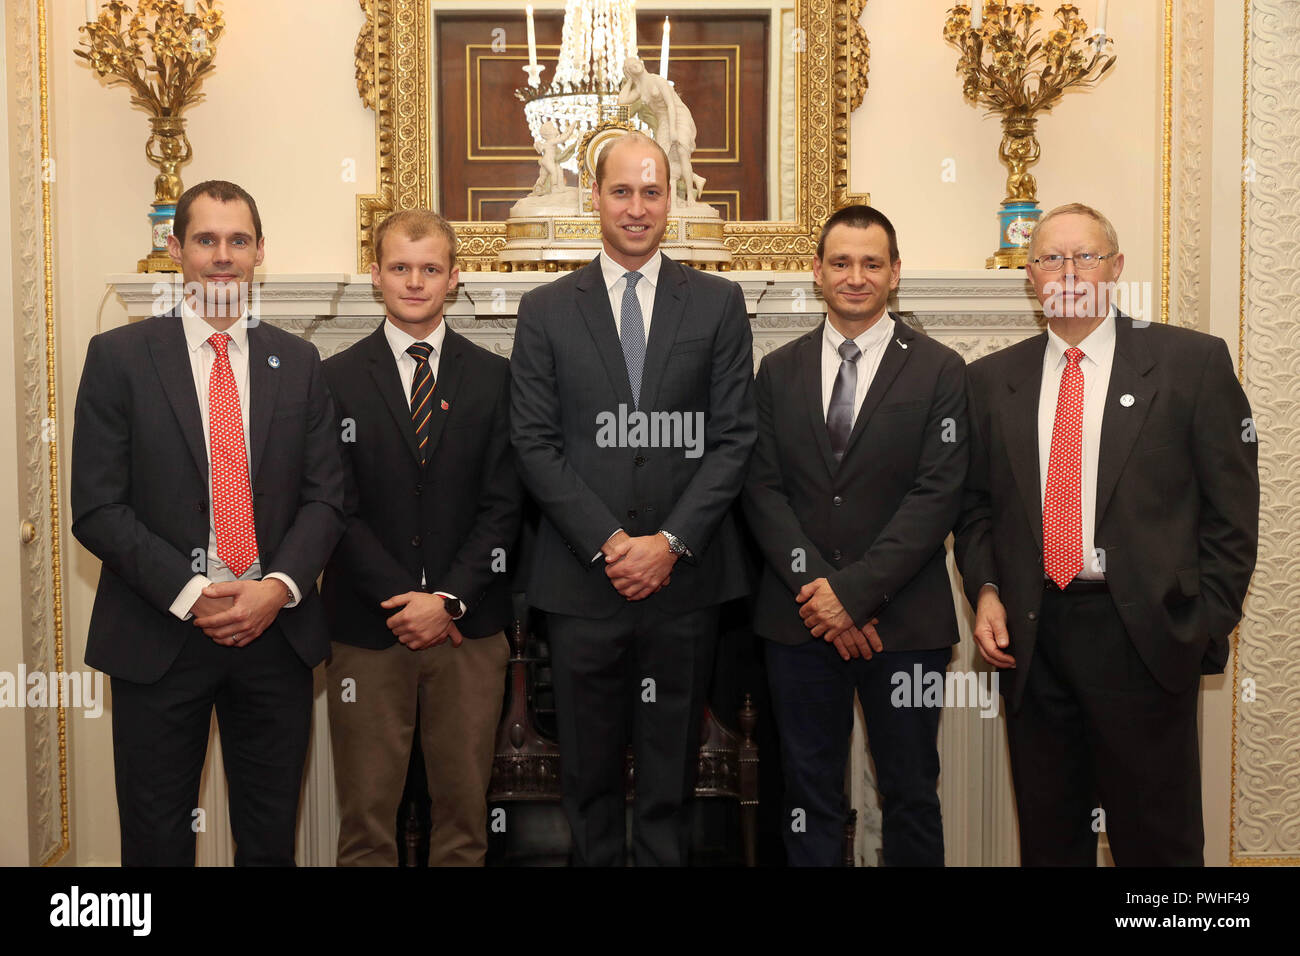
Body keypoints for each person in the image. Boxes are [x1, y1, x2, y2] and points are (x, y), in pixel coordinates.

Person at [954, 202, 1259, 865]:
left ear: (1115, 268)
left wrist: (1201, 623)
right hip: (1034, 641)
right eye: (1050, 258)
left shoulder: (1191, 364)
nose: (1067, 271)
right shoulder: (988, 381)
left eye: (1084, 256)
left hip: (1146, 638)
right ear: (1029, 275)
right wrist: (985, 591)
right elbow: (975, 507)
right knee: (1050, 838)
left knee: (1159, 842)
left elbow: (1232, 516)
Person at [71, 180, 344, 866]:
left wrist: (275, 588)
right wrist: (195, 595)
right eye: (206, 240)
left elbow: (325, 499)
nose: (222, 256)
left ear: (258, 255)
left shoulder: (300, 362)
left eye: (238, 241)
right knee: (156, 842)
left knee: (267, 840)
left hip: (272, 633)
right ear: (176, 250)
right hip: (158, 633)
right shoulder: (118, 359)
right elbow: (97, 507)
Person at [510, 131, 756, 865]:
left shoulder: (716, 302)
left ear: (670, 199)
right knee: (584, 781)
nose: (638, 207)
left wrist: (668, 545)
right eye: (622, 190)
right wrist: (613, 544)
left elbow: (734, 439)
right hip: (584, 583)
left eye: (652, 191)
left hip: (684, 585)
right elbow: (534, 443)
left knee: (670, 781)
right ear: (595, 198)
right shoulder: (546, 308)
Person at [743, 204, 968, 866]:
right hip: (799, 621)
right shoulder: (776, 372)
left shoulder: (939, 370)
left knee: (910, 795)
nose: (856, 276)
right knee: (807, 795)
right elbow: (762, 490)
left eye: (872, 263)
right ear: (817, 272)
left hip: (905, 625)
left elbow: (938, 494)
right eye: (840, 262)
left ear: (895, 274)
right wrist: (823, 595)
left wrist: (858, 595)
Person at [321, 210, 521, 866]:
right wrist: (405, 600)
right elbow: (332, 507)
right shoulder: (334, 379)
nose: (415, 282)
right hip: (367, 634)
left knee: (464, 823)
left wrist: (448, 600)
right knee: (366, 823)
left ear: (454, 277)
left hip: (468, 633)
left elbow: (504, 505)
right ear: (375, 275)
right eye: (400, 268)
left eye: (430, 269)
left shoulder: (496, 379)